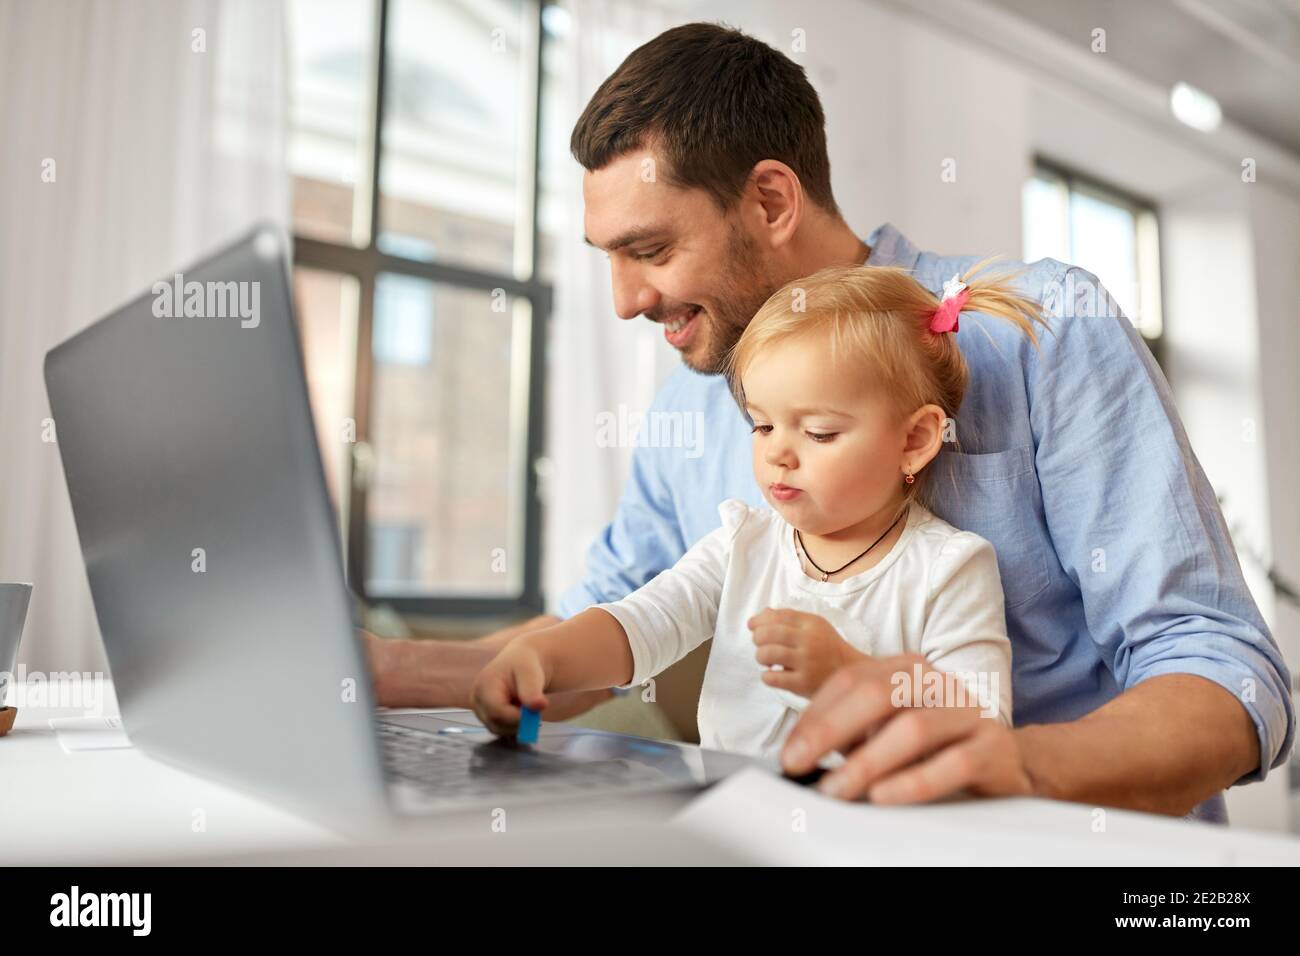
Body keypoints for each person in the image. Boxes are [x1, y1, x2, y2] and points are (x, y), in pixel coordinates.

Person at [365, 22, 1293, 820]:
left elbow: (1229, 680)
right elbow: (589, 642)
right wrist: (380, 671)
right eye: (608, 257)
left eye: (649, 249)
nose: (625, 301)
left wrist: (1019, 768)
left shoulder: (1042, 328)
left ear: (771, 200)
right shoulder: (693, 396)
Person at [470, 263, 1043, 760]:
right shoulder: (743, 543)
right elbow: (641, 625)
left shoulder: (949, 568)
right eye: (762, 425)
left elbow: (984, 726)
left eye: (818, 432)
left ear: (915, 441)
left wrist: (850, 674)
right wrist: (543, 657)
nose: (776, 452)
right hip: (736, 824)